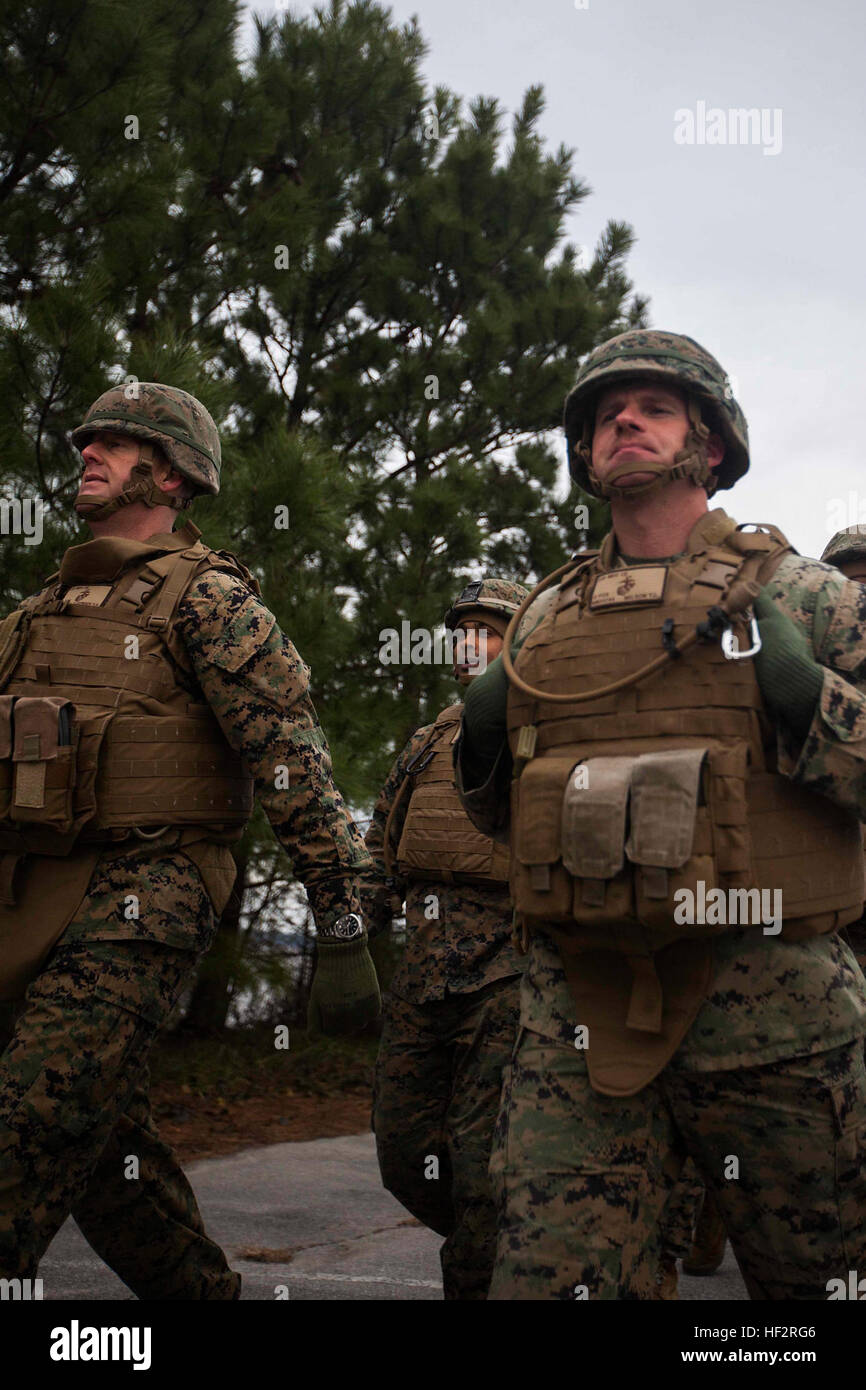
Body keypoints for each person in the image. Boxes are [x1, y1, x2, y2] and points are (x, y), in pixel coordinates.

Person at [456, 330, 866, 1300]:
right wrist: (477, 743)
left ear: (710, 443)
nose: (622, 422)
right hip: (579, 1016)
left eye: (651, 406)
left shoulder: (800, 594)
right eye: (605, 414)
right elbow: (502, 820)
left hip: (774, 1009)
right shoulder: (544, 623)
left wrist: (805, 694)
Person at [0, 383, 377, 1298]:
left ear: (167, 473)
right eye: (86, 437)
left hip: (145, 897)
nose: (85, 449)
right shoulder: (39, 609)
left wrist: (344, 925)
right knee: (99, 1145)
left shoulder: (209, 602)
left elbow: (293, 768)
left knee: (25, 1133)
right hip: (29, 895)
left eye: (115, 441)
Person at [362, 579, 528, 1299]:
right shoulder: (432, 739)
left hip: (510, 974)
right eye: (462, 630)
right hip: (422, 977)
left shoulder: (542, 735)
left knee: (481, 1165)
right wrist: (348, 939)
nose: (469, 643)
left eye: (488, 629)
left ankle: (484, 1272)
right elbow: (379, 843)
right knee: (402, 1155)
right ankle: (508, 1245)